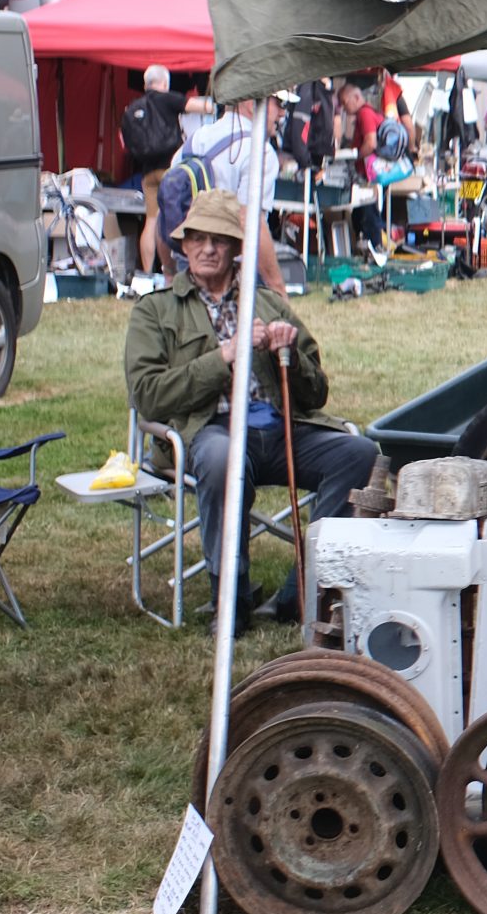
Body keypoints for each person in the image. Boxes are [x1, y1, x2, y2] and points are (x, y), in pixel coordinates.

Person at [124, 188, 376, 625]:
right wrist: (224, 356)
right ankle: (231, 596)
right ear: (183, 245)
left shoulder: (269, 303)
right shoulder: (156, 310)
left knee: (359, 453)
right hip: (208, 432)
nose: (207, 248)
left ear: (237, 248)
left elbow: (317, 394)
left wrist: (290, 356)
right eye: (198, 238)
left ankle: (304, 588)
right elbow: (147, 394)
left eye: (219, 239)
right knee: (223, 458)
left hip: (279, 430)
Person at [155, 97, 290, 291]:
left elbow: (166, 212)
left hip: (186, 267)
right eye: (278, 104)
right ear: (251, 104)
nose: (282, 113)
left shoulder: (195, 140)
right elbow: (252, 225)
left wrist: (169, 272)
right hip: (232, 276)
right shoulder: (261, 152)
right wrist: (278, 290)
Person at [119, 65, 211, 272]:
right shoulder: (167, 98)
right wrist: (217, 106)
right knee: (177, 218)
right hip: (172, 171)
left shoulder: (135, 107)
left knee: (151, 221)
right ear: (164, 82)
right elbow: (199, 107)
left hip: (147, 173)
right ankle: (176, 268)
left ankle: (147, 271)